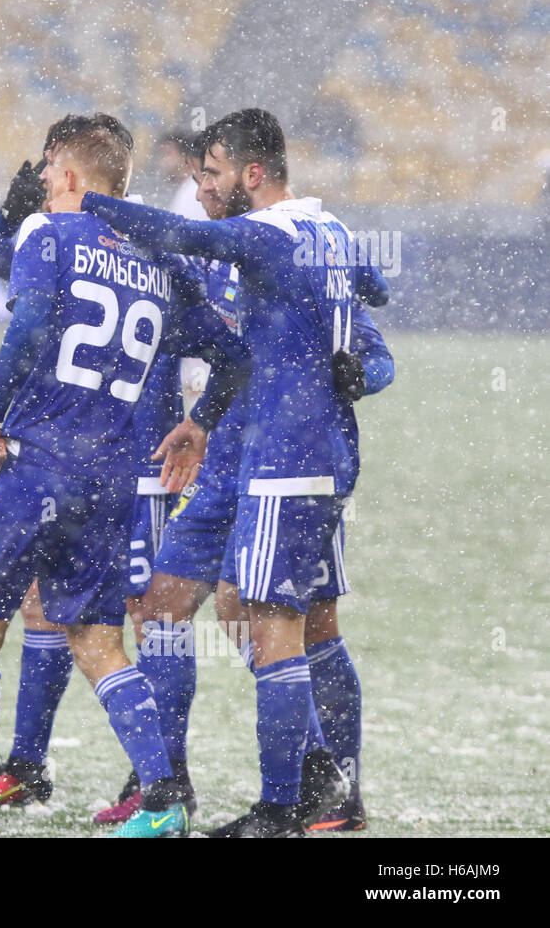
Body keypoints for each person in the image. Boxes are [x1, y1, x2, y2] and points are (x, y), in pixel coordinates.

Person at [0, 122, 249, 838]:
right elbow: (234, 352)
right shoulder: (157, 258)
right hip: (112, 478)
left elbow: (30, 320)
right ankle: (163, 796)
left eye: (45, 169)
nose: (39, 182)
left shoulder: (51, 233)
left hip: (35, 462)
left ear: (66, 174)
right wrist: (201, 421)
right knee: (99, 640)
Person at [80, 108, 384, 837]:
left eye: (210, 173)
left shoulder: (259, 236)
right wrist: (208, 418)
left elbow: (368, 332)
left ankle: (313, 794)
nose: (199, 186)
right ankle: (170, 780)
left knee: (287, 621)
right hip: (233, 461)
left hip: (291, 457)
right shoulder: (302, 237)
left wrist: (80, 199)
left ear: (250, 175)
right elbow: (364, 285)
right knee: (163, 606)